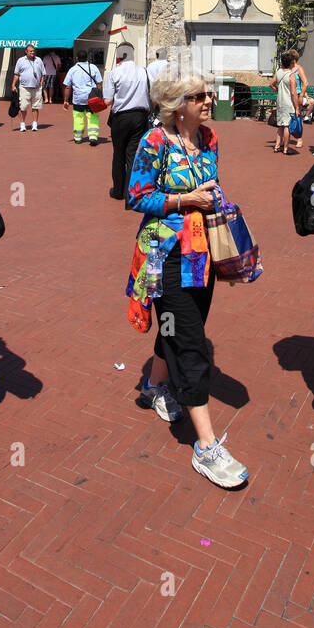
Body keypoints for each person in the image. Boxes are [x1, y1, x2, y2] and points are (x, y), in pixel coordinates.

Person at [126, 76, 249, 487]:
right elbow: (136, 196)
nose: (208, 100)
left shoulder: (210, 137)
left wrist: (213, 201)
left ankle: (154, 386)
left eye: (207, 94)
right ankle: (206, 446)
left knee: (181, 327)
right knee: (193, 346)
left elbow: (210, 183)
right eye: (199, 96)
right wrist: (185, 200)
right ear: (178, 105)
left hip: (202, 252)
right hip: (165, 253)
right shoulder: (156, 141)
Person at [103, 49, 151, 200]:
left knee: (118, 154)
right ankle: (131, 193)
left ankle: (118, 191)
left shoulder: (115, 73)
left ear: (118, 56)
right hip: (140, 116)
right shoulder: (144, 72)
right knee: (132, 155)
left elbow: (107, 101)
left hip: (121, 117)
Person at [62, 51, 103, 145]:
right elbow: (99, 84)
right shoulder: (93, 67)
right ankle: (93, 136)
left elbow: (68, 86)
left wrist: (65, 100)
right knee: (92, 117)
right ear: (87, 58)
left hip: (78, 98)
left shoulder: (72, 70)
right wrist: (100, 96)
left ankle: (78, 137)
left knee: (78, 117)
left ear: (77, 58)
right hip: (91, 97)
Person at [270, 52, 301, 154]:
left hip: (280, 102)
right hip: (288, 103)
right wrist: (297, 107)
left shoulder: (278, 72)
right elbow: (293, 93)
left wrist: (278, 91)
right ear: (291, 62)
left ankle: (277, 146)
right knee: (287, 125)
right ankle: (286, 148)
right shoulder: (291, 75)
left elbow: (271, 84)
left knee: (280, 125)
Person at [12, 45, 45, 132]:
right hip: (24, 87)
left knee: (35, 106)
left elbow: (43, 73)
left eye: (33, 51)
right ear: (26, 52)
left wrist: (41, 83)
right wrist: (13, 84)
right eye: (30, 51)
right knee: (23, 107)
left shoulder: (39, 60)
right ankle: (22, 124)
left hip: (36, 87)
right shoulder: (21, 60)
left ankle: (35, 124)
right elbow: (16, 74)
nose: (32, 53)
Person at [286, 49, 310, 150]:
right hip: (288, 95)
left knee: (297, 116)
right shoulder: (286, 68)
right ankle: (287, 138)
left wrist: (301, 96)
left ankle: (299, 138)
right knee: (287, 117)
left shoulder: (299, 68)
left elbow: (305, 83)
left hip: (297, 94)